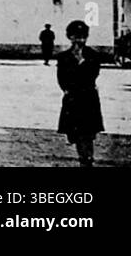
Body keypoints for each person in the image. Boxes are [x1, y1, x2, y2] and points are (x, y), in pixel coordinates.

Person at [56, 20, 105, 167]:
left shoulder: (93, 55)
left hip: (88, 99)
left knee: (87, 133)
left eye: (83, 37)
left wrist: (81, 62)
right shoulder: (63, 57)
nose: (80, 40)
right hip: (72, 99)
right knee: (76, 134)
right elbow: (61, 79)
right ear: (70, 37)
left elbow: (93, 74)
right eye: (76, 37)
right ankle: (84, 158)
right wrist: (68, 89)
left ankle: (87, 160)